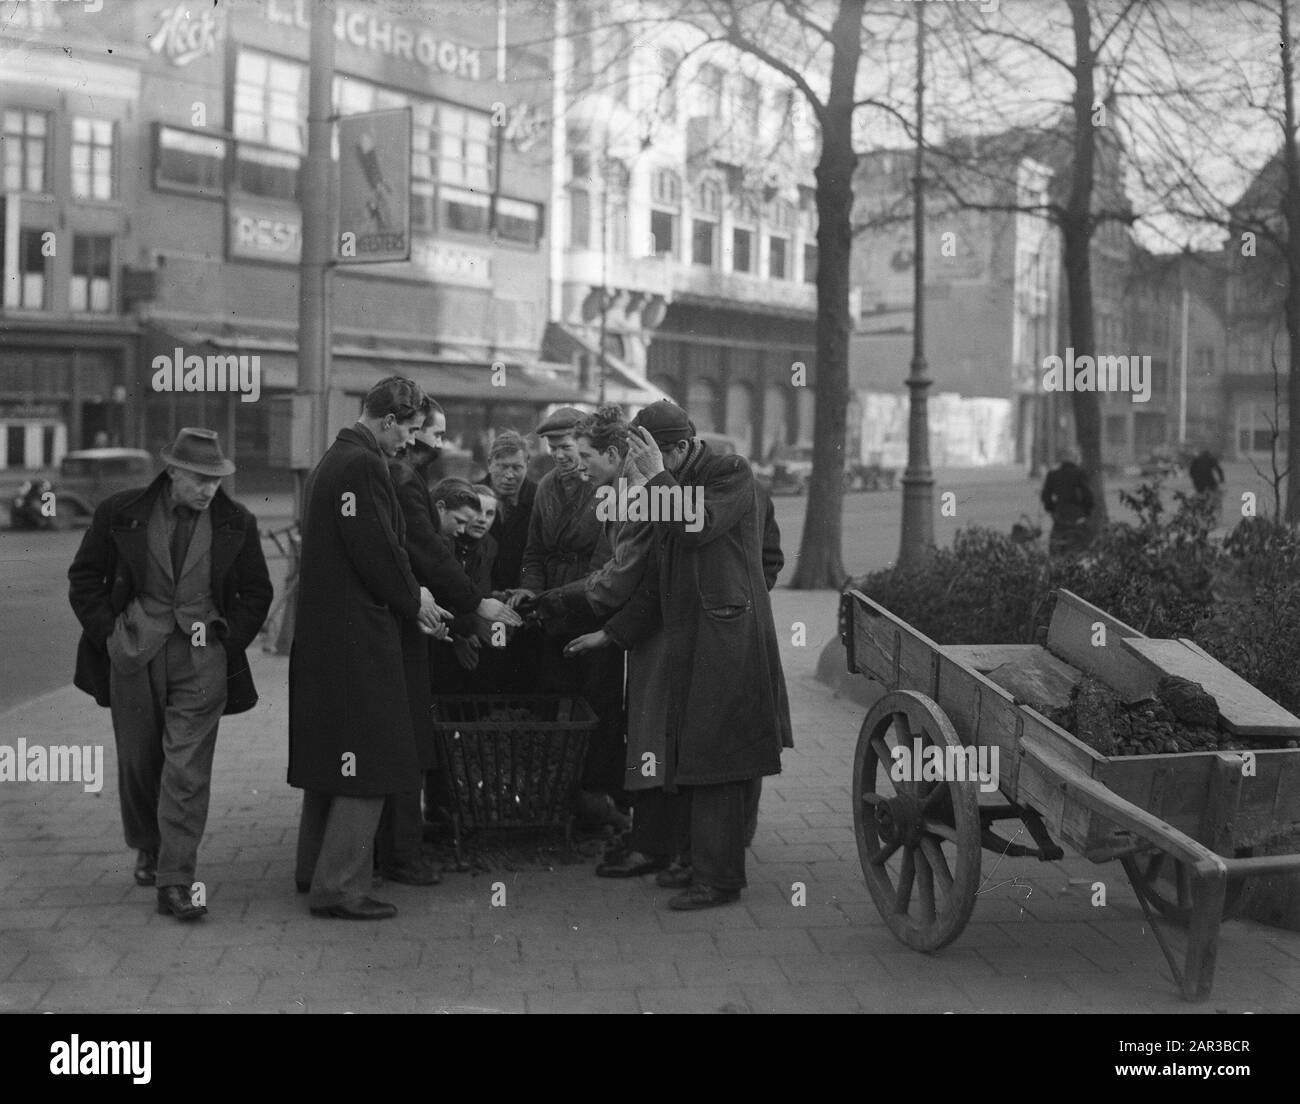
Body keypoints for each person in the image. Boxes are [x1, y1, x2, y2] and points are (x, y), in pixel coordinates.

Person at [566, 400, 792, 909]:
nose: (646, 464)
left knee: (719, 757)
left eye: (654, 453)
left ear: (683, 448)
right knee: (694, 755)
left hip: (727, 639)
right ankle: (698, 864)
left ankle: (719, 880)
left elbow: (696, 525)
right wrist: (616, 634)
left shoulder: (728, 471)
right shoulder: (669, 482)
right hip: (695, 638)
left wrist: (654, 479)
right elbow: (654, 576)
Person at [68, 427, 272, 921]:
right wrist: (110, 636)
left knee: (186, 769)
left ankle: (177, 880)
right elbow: (83, 580)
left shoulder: (236, 521)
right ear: (174, 472)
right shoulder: (121, 511)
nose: (209, 490)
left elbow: (257, 593)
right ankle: (147, 843)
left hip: (202, 658)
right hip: (134, 653)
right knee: (139, 761)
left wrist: (227, 645)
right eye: (200, 479)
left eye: (216, 480)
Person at [288, 377, 452, 921]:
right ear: (386, 421)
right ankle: (340, 887)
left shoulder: (332, 459)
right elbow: (380, 551)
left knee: (333, 758)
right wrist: (418, 604)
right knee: (373, 759)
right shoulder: (365, 465)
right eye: (407, 429)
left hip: (327, 635)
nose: (409, 441)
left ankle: (314, 868)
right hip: (360, 636)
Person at [381, 401, 520, 882]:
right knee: (409, 744)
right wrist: (472, 611)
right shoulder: (404, 483)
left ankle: (403, 841)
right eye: (429, 433)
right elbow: (427, 557)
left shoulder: (402, 479)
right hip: (404, 635)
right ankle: (402, 850)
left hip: (410, 630)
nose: (435, 444)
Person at [1040, 450, 1094, 555]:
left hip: (1059, 515)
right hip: (1077, 515)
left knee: (1057, 543)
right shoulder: (1080, 473)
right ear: (1075, 459)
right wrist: (1087, 511)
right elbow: (1088, 495)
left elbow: (1046, 496)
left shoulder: (1052, 474)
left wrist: (1051, 508)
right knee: (1083, 542)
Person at [1189, 447, 1225, 524]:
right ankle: (1213, 509)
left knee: (1200, 495)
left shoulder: (1197, 459)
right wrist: (1222, 479)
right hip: (1209, 481)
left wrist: (1195, 479)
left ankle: (1199, 510)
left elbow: (1191, 471)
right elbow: (1219, 469)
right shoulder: (1211, 459)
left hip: (1198, 482)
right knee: (1215, 494)